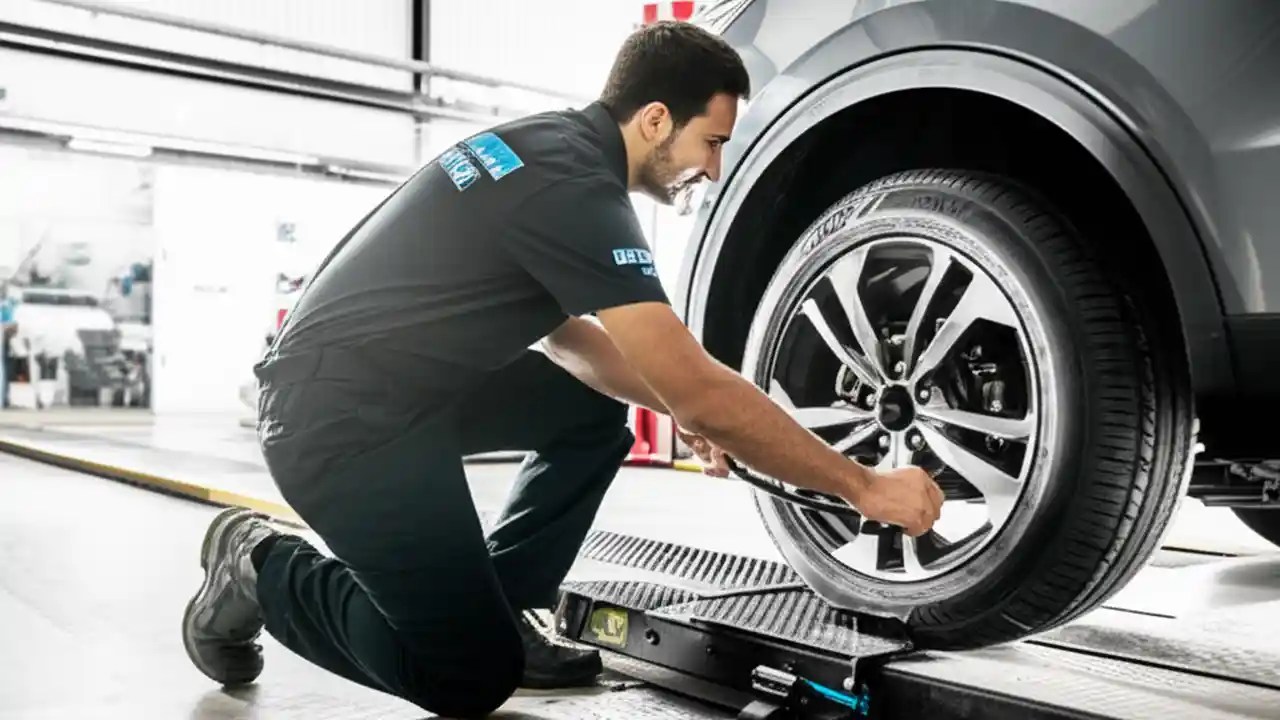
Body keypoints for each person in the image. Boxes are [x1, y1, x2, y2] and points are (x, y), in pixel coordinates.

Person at [181, 20, 944, 719]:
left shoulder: (549, 152)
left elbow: (571, 342)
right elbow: (699, 386)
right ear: (656, 120)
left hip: (404, 390)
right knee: (468, 676)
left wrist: (683, 408)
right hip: (336, 419)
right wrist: (863, 486)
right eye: (711, 142)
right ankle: (259, 563)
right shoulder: (574, 189)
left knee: (588, 411)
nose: (712, 169)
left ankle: (505, 605)